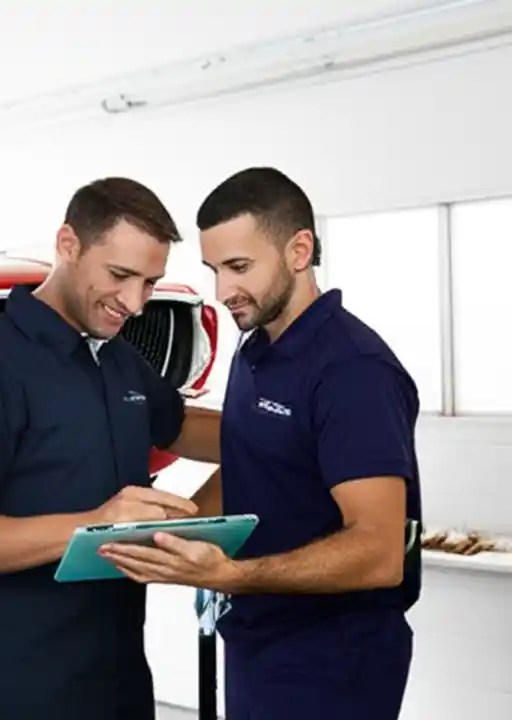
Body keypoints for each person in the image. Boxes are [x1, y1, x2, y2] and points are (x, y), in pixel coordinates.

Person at [100, 167, 421, 719]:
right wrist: (167, 537)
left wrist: (230, 575)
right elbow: (255, 458)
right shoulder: (258, 350)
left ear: (299, 250)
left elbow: (379, 553)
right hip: (257, 639)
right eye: (214, 269)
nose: (223, 291)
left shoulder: (352, 371)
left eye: (239, 267)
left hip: (333, 661)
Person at [0, 177, 223, 720]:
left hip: (119, 673)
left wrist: (292, 423)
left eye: (150, 283)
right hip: (19, 686)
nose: (134, 302)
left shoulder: (116, 357)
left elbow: (177, 425)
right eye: (120, 276)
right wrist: (97, 526)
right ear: (67, 245)